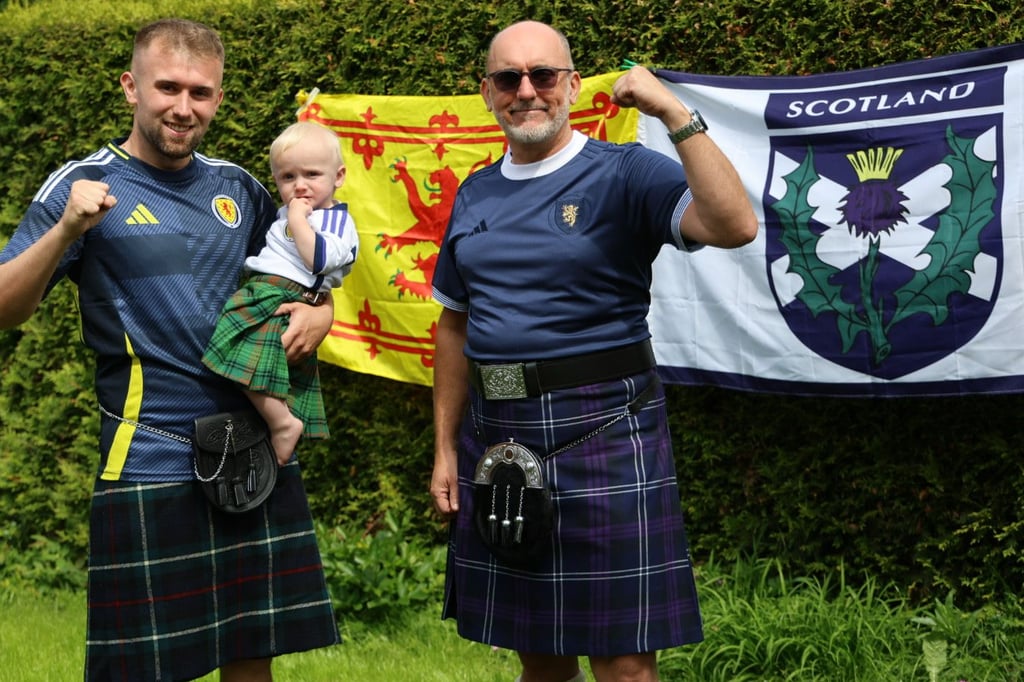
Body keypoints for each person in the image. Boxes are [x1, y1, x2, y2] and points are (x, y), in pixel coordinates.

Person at [0, 19, 339, 681]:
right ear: (131, 87)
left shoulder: (240, 188)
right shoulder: (83, 184)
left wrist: (322, 313)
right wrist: (68, 227)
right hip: (151, 453)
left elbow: (305, 272)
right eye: (167, 88)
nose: (184, 107)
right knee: (147, 669)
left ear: (217, 98)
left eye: (201, 92)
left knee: (252, 659)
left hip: (252, 449)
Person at [429, 20, 758, 682]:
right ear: (488, 93)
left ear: (573, 86)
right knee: (540, 658)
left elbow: (734, 225)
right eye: (508, 78)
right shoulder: (475, 191)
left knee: (626, 665)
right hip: (499, 436)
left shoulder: (624, 171)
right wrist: (443, 447)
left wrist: (673, 111)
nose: (527, 91)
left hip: (605, 430)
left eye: (543, 75)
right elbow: (454, 324)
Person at [202, 120, 358, 464]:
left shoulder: (332, 220)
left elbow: (318, 260)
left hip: (284, 293)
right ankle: (279, 417)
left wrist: (299, 220)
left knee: (230, 349)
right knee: (247, 361)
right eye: (288, 178)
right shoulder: (288, 212)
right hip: (267, 288)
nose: (300, 186)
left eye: (312, 175)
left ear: (339, 177)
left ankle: (283, 423)